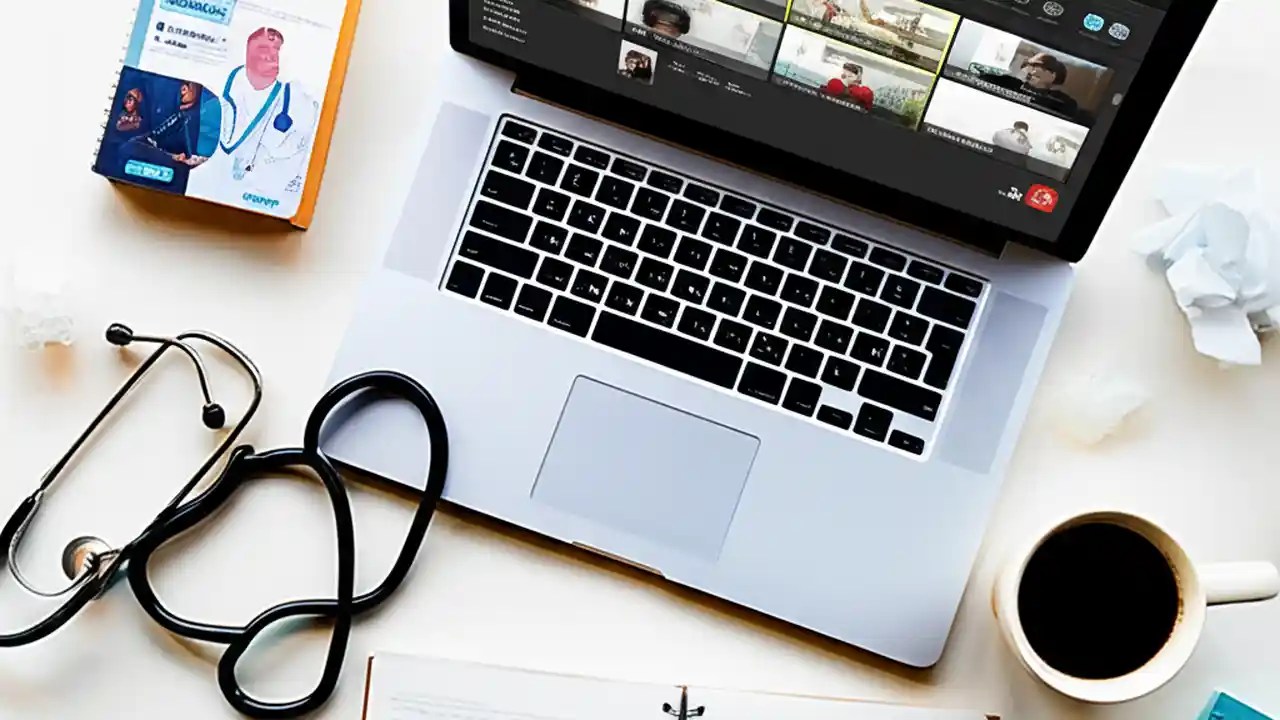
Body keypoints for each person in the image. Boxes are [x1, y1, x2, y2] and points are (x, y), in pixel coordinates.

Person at [214, 26, 320, 199]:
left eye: (276, 49)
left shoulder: (301, 100)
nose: (272, 55)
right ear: (248, 52)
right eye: (263, 49)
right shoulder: (219, 86)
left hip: (264, 197)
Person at [979, 52, 1080, 119]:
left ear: (1052, 75)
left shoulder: (1063, 102)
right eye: (1029, 65)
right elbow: (982, 80)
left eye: (1036, 66)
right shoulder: (1009, 82)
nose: (1030, 71)